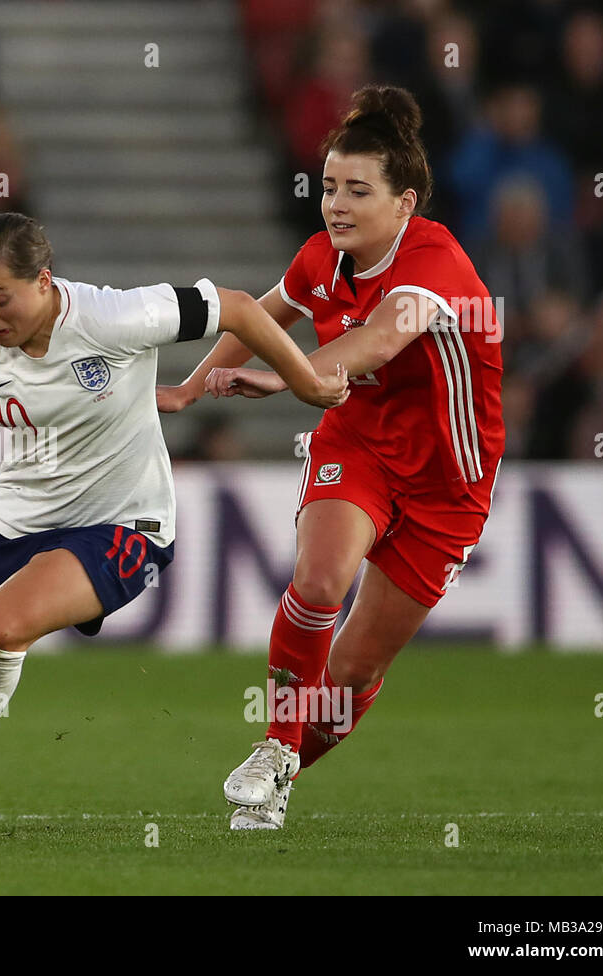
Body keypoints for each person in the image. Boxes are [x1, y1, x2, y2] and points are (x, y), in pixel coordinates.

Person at [0, 212, 347, 779]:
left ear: (43, 281)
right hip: (18, 515)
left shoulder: (111, 316)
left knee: (2, 628)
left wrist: (302, 382)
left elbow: (237, 307)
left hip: (125, 522)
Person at [159, 85, 505, 830]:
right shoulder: (322, 257)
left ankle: (282, 771)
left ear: (405, 202)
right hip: (359, 444)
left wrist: (290, 371)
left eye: (357, 190)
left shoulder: (436, 263)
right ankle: (276, 743)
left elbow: (379, 340)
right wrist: (189, 389)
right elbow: (258, 313)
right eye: (327, 186)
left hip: (450, 483)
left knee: (351, 676)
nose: (335, 205)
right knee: (319, 579)